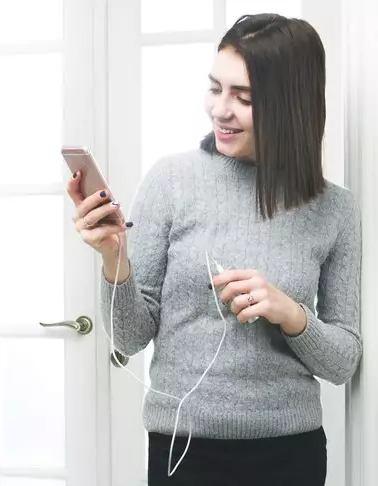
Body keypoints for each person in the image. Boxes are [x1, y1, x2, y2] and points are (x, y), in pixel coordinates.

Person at [66, 13, 362, 486]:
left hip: (291, 457)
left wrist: (292, 314)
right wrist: (113, 258)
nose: (220, 110)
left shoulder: (335, 210)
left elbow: (344, 362)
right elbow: (130, 338)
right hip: (181, 453)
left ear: (291, 105)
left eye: (243, 98)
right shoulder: (171, 182)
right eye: (215, 88)